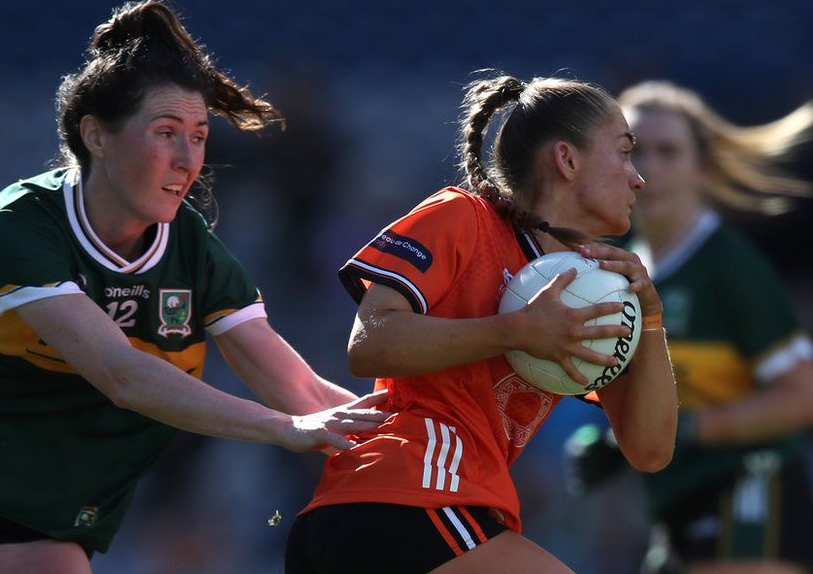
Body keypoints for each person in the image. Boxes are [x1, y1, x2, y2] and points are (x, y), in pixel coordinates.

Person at [0, 1, 390, 573]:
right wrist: (284, 428)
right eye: (165, 133)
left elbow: (304, 394)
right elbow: (123, 376)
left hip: (38, 506)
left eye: (197, 137)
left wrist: (417, 433)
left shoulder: (193, 250)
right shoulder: (18, 224)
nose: (187, 159)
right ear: (96, 135)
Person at [284, 73, 679, 574]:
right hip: (403, 495)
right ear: (567, 160)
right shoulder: (464, 215)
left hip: (417, 512)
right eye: (624, 152)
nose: (637, 177)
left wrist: (651, 318)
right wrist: (516, 331)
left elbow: (650, 449)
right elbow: (369, 344)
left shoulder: (599, 287)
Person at [567, 81, 813, 574]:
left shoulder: (727, 265)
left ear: (702, 167)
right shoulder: (619, 264)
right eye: (633, 151)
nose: (649, 169)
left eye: (669, 152)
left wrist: (692, 428)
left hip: (747, 489)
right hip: (677, 501)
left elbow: (801, 395)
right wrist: (620, 441)